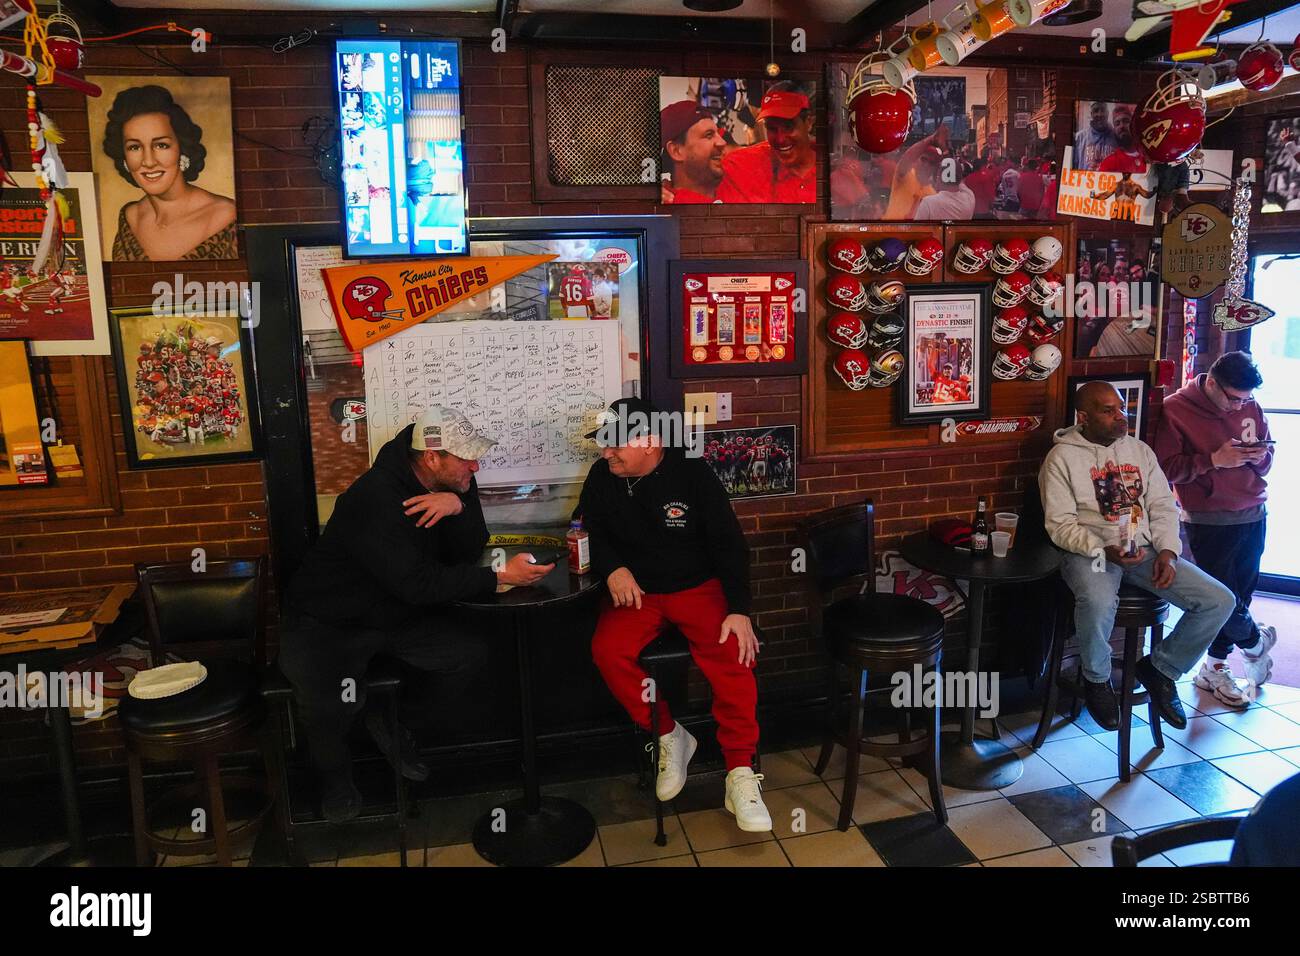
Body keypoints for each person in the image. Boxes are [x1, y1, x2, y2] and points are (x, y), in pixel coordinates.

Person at [280, 406, 553, 821]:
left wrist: (457, 507)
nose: (475, 465)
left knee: (467, 654)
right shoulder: (374, 497)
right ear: (431, 457)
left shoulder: (455, 480)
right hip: (330, 619)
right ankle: (336, 781)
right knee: (327, 709)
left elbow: (470, 544)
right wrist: (498, 577)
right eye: (465, 458)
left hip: (393, 609)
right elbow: (418, 583)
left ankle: (394, 722)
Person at [577, 398, 771, 832]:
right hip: (638, 593)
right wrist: (613, 568)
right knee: (607, 651)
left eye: (614, 444)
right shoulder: (602, 477)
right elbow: (589, 527)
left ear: (650, 441)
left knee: (735, 656)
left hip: (697, 587)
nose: (606, 453)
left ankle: (739, 770)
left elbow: (729, 544)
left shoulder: (693, 474)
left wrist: (739, 610)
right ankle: (668, 733)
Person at [1039, 382, 1234, 732]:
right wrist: (1103, 549)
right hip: (1091, 551)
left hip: (1143, 549)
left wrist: (1169, 552)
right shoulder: (1061, 458)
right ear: (1082, 417)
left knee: (1219, 600)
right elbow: (1059, 525)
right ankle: (1096, 680)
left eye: (1121, 408)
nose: (1121, 417)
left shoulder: (1140, 451)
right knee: (1098, 600)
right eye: (1108, 410)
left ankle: (1160, 669)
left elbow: (1162, 505)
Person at [1154, 352, 1277, 707]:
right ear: (1211, 383)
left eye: (1245, 399)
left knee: (1242, 593)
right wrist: (1212, 461)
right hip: (1208, 517)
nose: (1239, 406)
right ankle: (1255, 645)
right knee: (1224, 599)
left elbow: (1269, 459)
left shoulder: (1249, 404)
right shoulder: (1176, 409)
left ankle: (1214, 666)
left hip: (1254, 510)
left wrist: (1260, 457)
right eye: (1233, 399)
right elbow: (1166, 470)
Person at [101, 85, 237, 261]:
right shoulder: (130, 217)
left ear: (182, 148)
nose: (148, 161)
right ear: (124, 157)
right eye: (134, 147)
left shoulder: (225, 216)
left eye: (161, 145)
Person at [717, 84, 816, 204]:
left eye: (788, 127)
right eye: (772, 129)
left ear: (809, 122)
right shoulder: (743, 165)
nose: (780, 139)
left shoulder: (836, 169)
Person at [659, 100, 725, 204]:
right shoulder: (668, 212)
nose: (722, 142)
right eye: (708, 135)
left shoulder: (735, 173)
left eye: (718, 134)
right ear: (676, 151)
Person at [1074, 101, 1119, 170]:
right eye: (1096, 111)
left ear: (1107, 113)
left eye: (1103, 110)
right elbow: (1074, 166)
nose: (1099, 114)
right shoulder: (1080, 137)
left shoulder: (1116, 137)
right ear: (1091, 114)